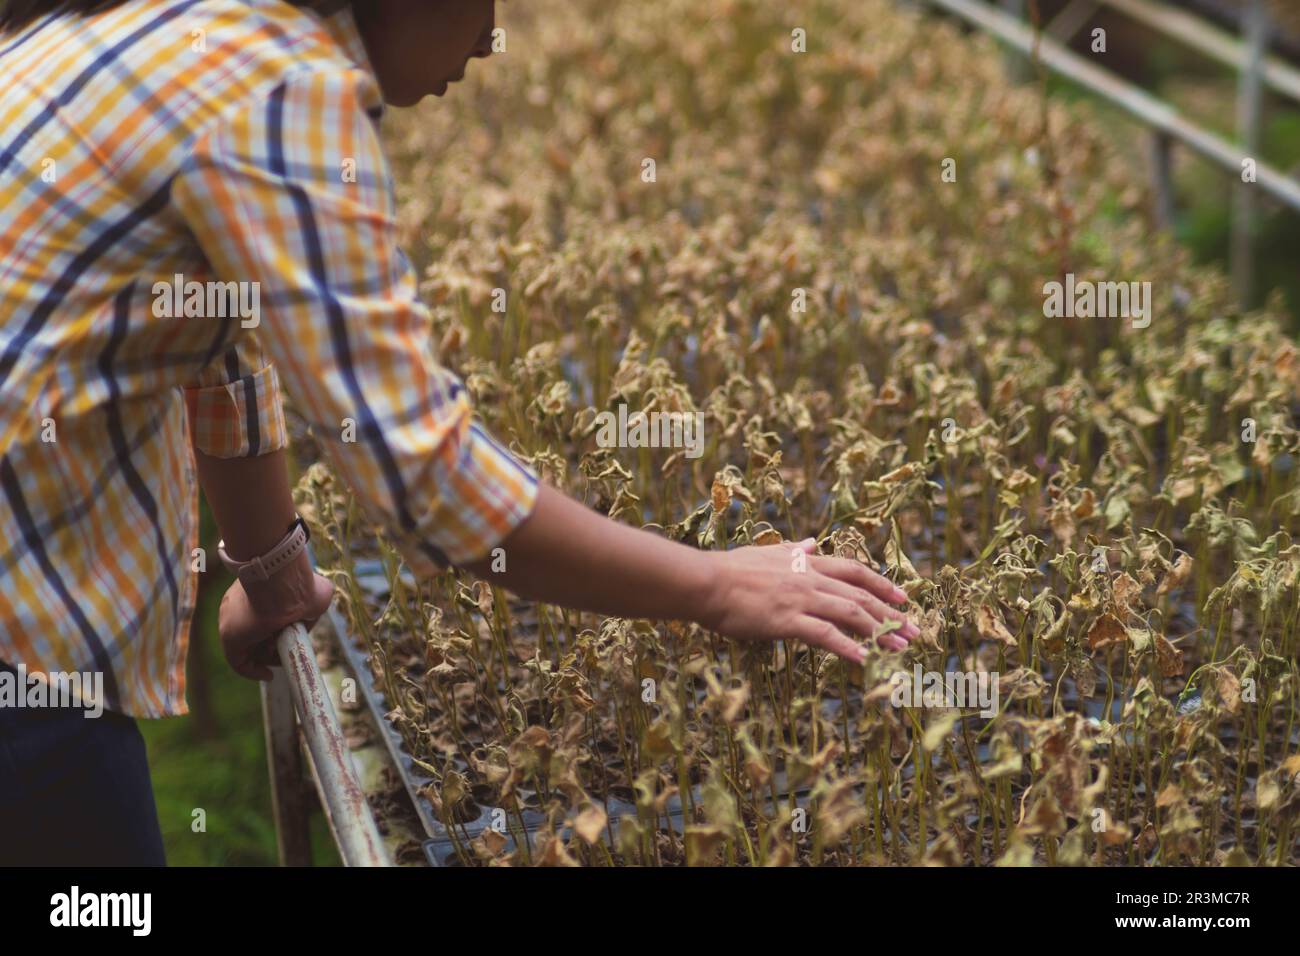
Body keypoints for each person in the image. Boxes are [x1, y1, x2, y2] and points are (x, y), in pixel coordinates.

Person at [0, 0, 917, 865]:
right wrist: (714, 584)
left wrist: (273, 575)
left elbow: (215, 342)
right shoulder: (276, 88)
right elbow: (425, 476)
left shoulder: (186, 33)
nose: (489, 41)